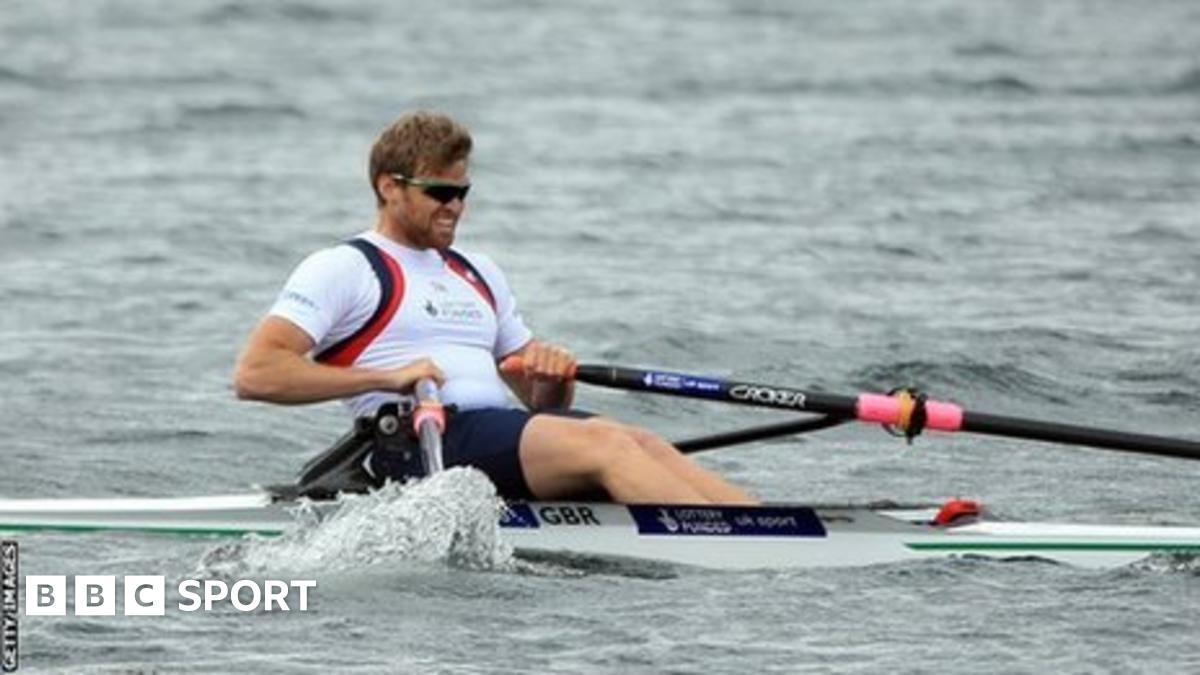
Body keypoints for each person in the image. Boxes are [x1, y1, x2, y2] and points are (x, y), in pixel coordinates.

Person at [234, 111, 756, 505]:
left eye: (462, 191)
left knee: (638, 439)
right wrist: (387, 378)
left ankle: (772, 529)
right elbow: (257, 374)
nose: (455, 205)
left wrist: (550, 378)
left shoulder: (475, 271)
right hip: (417, 441)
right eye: (440, 192)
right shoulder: (346, 267)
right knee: (607, 446)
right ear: (389, 187)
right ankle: (731, 551)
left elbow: (539, 404)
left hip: (492, 431)